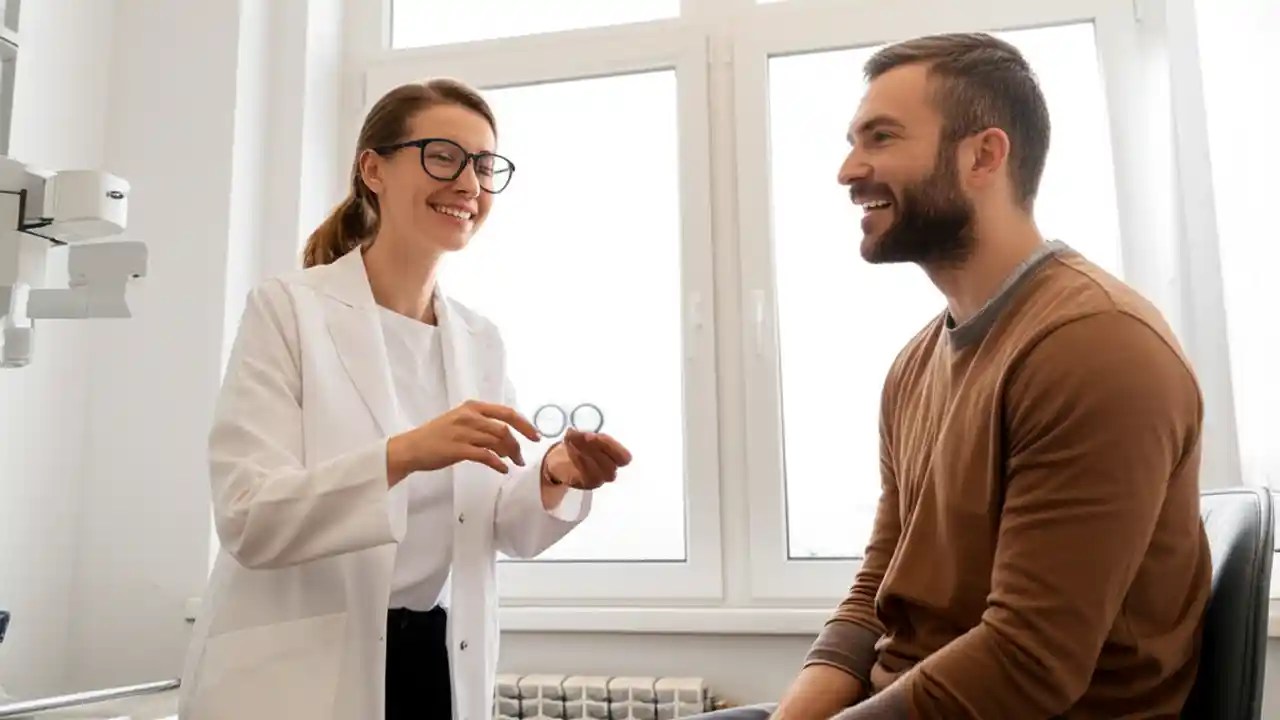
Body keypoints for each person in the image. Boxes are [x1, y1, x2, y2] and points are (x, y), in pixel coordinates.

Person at [697, 32, 1211, 719]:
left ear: (983, 155)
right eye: (853, 140)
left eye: (880, 138)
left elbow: (1028, 663)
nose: (848, 169)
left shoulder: (1099, 348)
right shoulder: (914, 367)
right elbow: (875, 593)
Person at [177, 78, 633, 720]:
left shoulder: (480, 340)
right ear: (374, 169)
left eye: (482, 164)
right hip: (300, 674)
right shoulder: (288, 309)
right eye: (443, 156)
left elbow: (497, 524)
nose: (469, 183)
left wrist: (554, 476)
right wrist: (405, 453)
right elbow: (249, 518)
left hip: (434, 664)